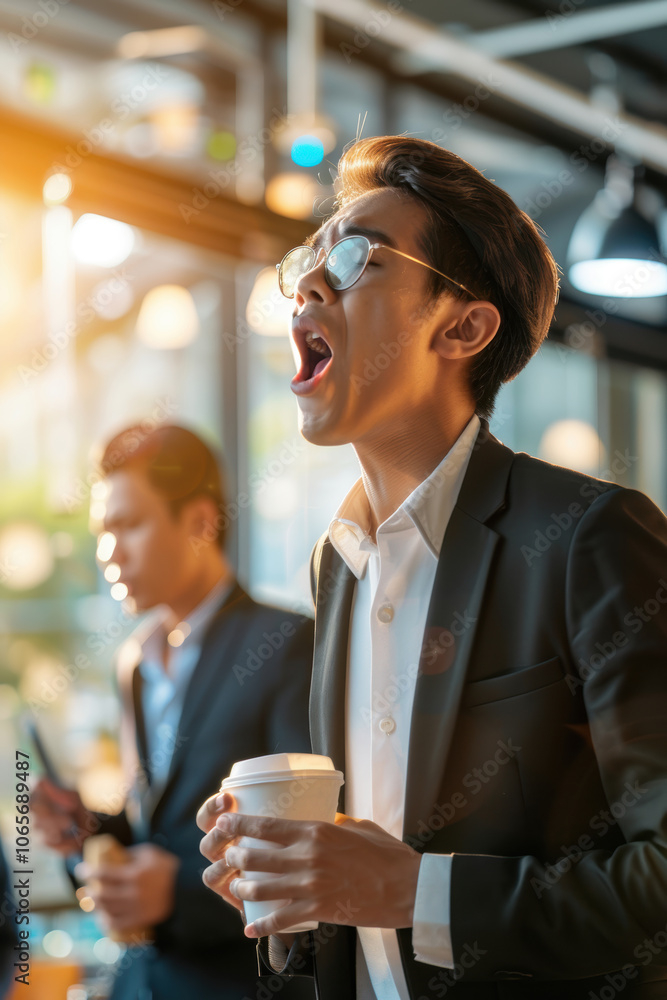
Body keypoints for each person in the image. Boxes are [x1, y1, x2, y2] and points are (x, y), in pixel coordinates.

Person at [197, 135, 667, 999]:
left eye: (356, 257)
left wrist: (415, 890)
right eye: (310, 257)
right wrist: (291, 887)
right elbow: (365, 909)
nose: (310, 280)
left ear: (462, 326)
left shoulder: (588, 538)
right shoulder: (333, 567)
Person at [33, 423, 314, 1000]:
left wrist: (181, 891)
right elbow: (156, 830)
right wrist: (85, 829)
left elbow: (303, 845)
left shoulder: (287, 645)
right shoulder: (134, 662)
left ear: (200, 522)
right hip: (145, 982)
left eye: (128, 525)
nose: (108, 551)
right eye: (101, 531)